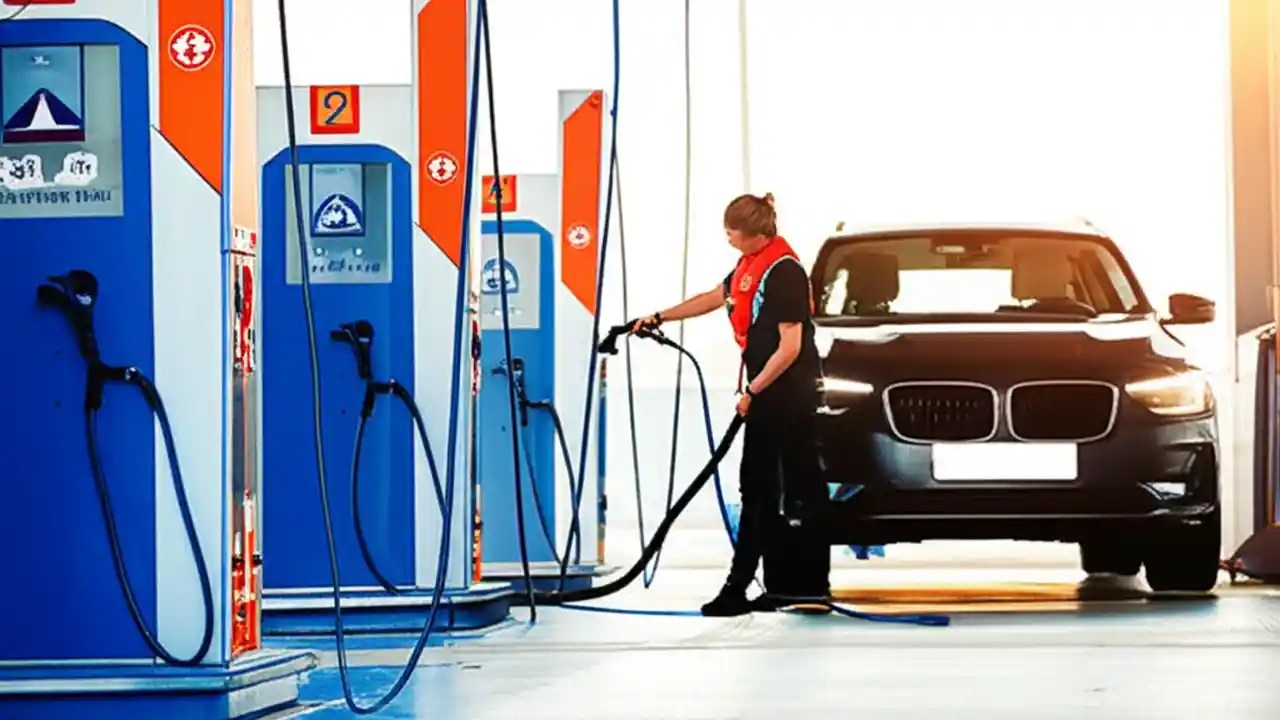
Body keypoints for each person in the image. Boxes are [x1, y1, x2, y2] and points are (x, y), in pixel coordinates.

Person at [634, 192, 831, 616]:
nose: (728, 240)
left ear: (757, 234)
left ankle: (742, 588)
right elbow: (715, 297)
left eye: (733, 234)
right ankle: (784, 586)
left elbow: (790, 347)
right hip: (769, 393)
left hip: (787, 396)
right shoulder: (751, 266)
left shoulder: (785, 273)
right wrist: (660, 317)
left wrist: (754, 392)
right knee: (769, 491)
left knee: (766, 491)